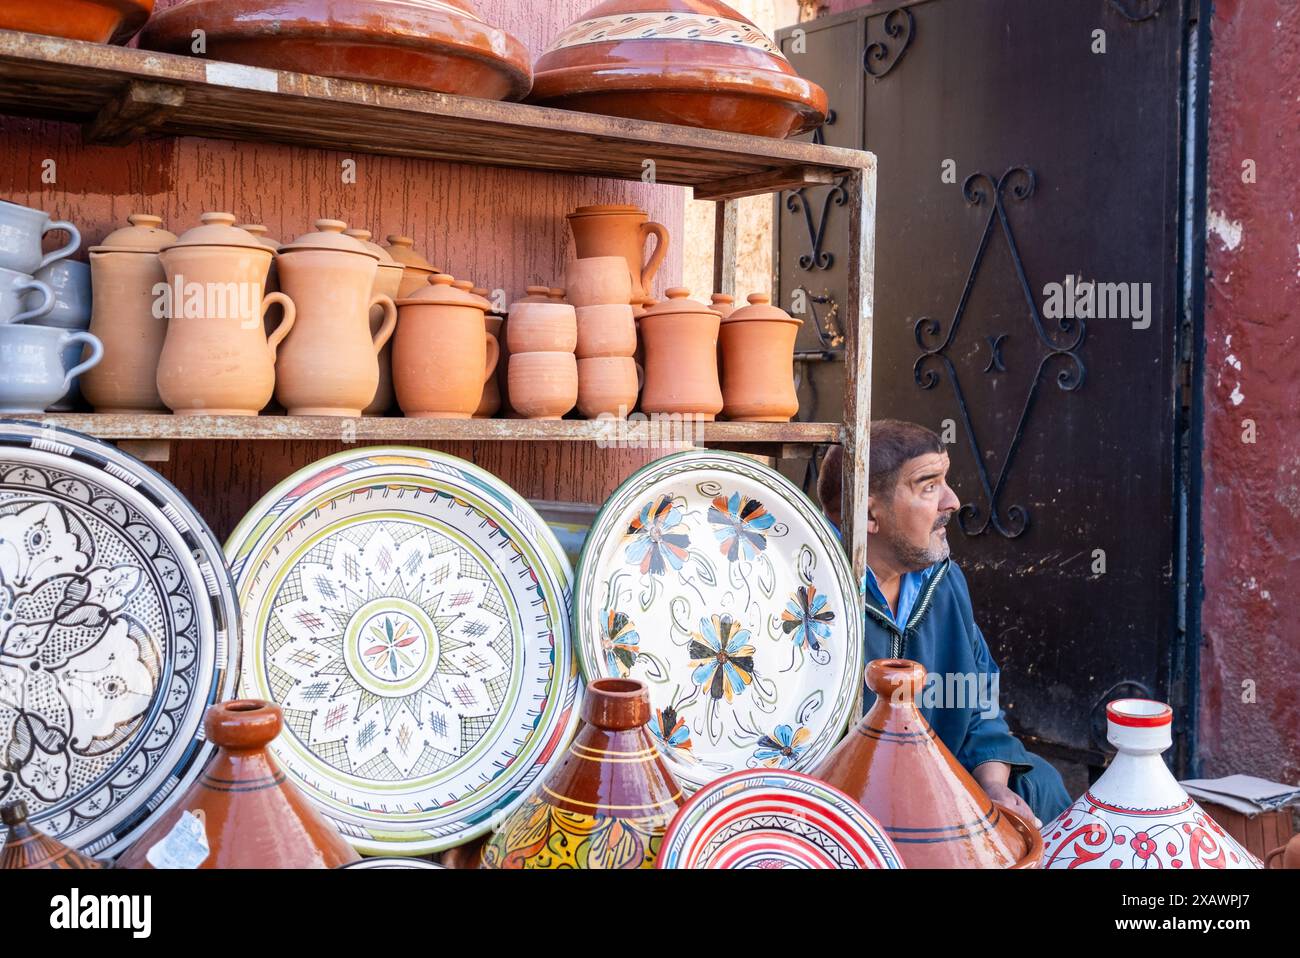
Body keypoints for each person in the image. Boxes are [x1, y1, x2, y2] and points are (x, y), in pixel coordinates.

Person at [817, 422, 1070, 825]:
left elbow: (978, 703)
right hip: (843, 804)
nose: (952, 501)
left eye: (944, 480)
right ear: (869, 513)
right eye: (928, 485)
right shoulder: (813, 591)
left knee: (1038, 786)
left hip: (940, 786)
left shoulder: (944, 581)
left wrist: (994, 788)